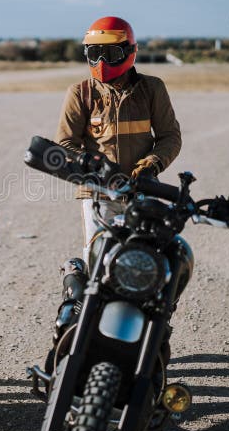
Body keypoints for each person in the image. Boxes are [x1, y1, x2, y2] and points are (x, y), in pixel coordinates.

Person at [55, 16, 181, 256]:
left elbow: (170, 136)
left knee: (146, 260)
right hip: (97, 193)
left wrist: (151, 166)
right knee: (99, 260)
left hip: (142, 192)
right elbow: (65, 143)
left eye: (110, 53)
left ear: (129, 51)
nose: (102, 61)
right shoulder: (80, 93)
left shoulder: (152, 89)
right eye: (95, 53)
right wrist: (94, 166)